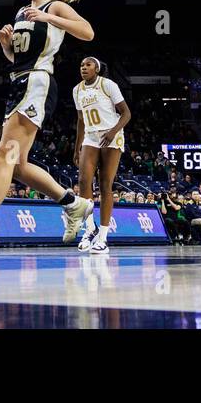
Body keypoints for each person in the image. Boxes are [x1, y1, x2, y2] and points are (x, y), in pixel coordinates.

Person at [0, 0, 96, 244]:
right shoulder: (21, 12)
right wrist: (7, 47)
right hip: (20, 80)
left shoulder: (55, 6)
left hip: (37, 83)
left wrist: (48, 17)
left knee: (2, 156)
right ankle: (73, 203)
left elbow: (87, 32)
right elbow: (18, 60)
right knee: (17, 166)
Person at [73, 56, 131, 254]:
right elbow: (81, 120)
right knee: (83, 181)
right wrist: (77, 146)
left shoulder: (108, 85)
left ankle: (103, 237)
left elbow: (126, 113)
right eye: (81, 65)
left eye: (88, 64)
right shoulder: (77, 90)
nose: (84, 67)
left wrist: (113, 131)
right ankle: (90, 229)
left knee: (105, 183)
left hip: (111, 135)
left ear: (96, 68)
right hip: (90, 137)